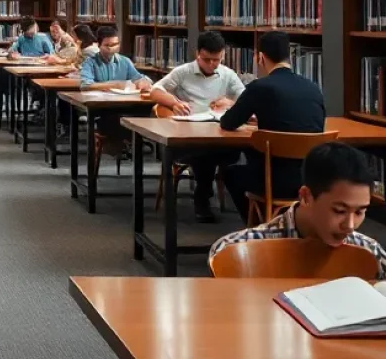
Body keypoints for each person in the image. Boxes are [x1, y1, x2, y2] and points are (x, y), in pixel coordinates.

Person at [209, 142, 386, 279]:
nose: (350, 226)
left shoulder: (370, 253)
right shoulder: (234, 250)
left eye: (360, 212)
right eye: (339, 211)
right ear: (306, 196)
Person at [219, 29, 327, 221]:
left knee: (231, 173)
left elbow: (228, 122)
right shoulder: (313, 87)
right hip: (312, 178)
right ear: (289, 56)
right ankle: (285, 222)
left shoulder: (260, 86)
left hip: (273, 181)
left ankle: (260, 225)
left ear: (260, 57)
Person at [149, 31, 246, 222]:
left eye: (216, 60)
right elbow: (155, 90)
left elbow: (246, 100)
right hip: (188, 138)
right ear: (197, 54)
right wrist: (173, 102)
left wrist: (231, 103)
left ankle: (245, 205)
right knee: (205, 153)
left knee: (238, 152)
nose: (211, 64)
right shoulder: (183, 72)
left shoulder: (228, 75)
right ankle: (203, 199)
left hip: (219, 133)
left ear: (223, 56)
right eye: (206, 59)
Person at [79, 25, 152, 91]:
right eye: (107, 45)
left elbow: (138, 78)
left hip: (121, 102)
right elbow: (85, 85)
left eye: (114, 44)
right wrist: (116, 85)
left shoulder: (125, 61)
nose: (111, 48)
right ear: (99, 45)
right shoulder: (90, 62)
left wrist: (143, 82)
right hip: (98, 103)